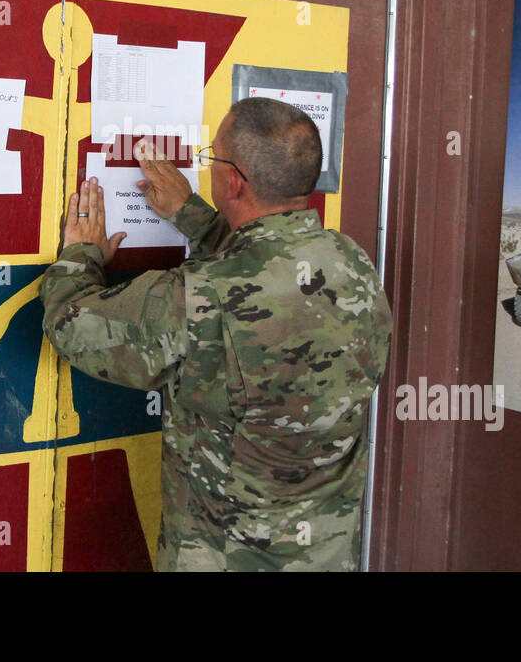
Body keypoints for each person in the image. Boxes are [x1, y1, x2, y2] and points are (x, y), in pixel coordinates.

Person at [39, 97, 392, 571]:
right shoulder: (354, 263)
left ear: (233, 181)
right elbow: (268, 263)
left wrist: (79, 255)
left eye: (211, 156)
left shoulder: (199, 297)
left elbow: (70, 323)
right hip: (327, 555)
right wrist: (193, 215)